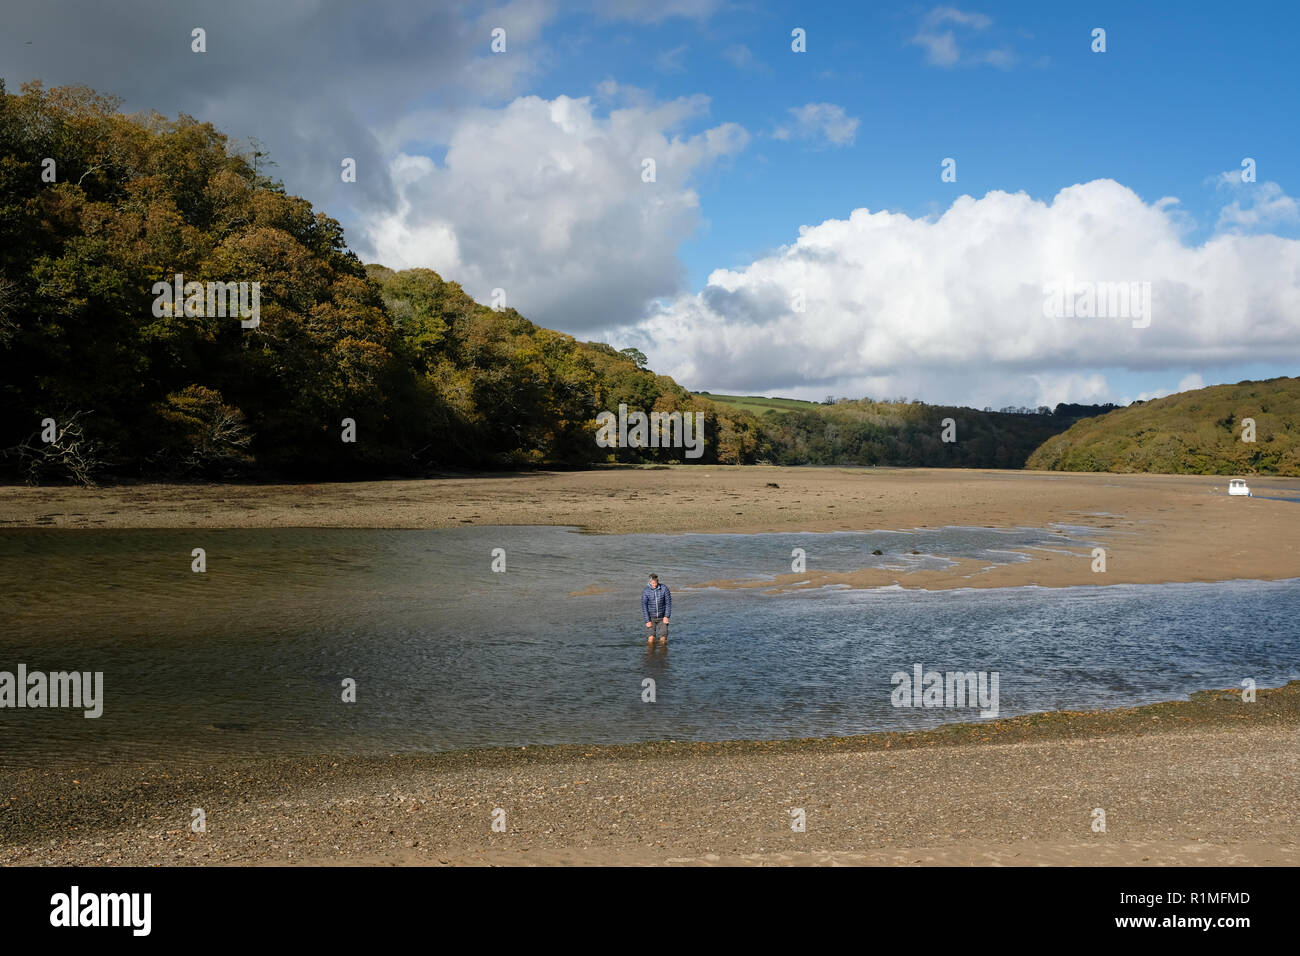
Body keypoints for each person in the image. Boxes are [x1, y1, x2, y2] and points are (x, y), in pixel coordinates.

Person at [641, 573, 671, 645]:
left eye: (656, 583)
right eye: (653, 583)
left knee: (663, 638)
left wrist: (666, 616)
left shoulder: (664, 588)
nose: (654, 585)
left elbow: (668, 603)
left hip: (662, 617)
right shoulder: (646, 590)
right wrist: (647, 620)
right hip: (651, 618)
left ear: (658, 581)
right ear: (650, 582)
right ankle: (651, 654)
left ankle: (662, 655)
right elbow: (644, 606)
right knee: (651, 639)